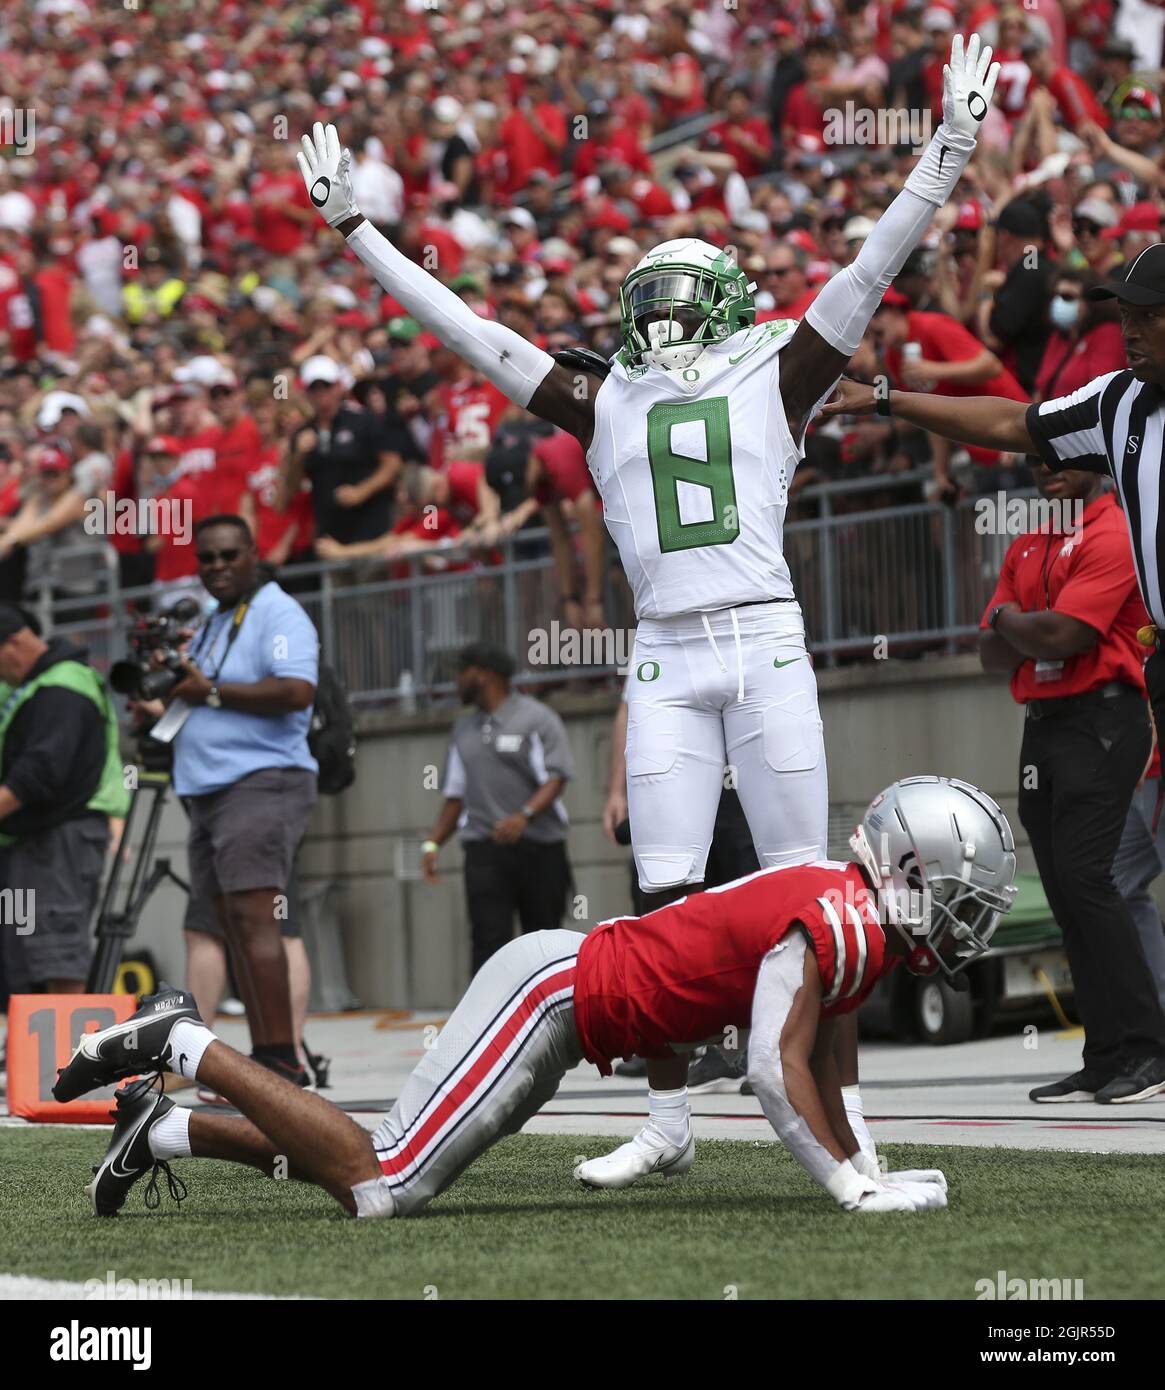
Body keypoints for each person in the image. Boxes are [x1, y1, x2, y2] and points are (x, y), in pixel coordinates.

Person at [296, 34, 1000, 1186]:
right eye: (653, 297)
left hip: (760, 634)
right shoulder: (614, 388)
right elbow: (472, 333)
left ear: (719, 301)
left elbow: (870, 266)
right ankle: (670, 1123)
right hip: (671, 652)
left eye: (679, 297)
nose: (664, 317)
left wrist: (950, 147)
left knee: (819, 891)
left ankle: (851, 1126)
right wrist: (357, 231)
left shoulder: (773, 368)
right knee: (662, 897)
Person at [57, 777, 1016, 1222]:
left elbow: (833, 1077)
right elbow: (774, 1066)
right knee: (383, 1184)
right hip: (556, 994)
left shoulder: (852, 917)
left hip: (567, 1002)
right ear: (906, 867)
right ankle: (184, 1042)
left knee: (380, 1157)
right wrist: (849, 1192)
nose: (969, 917)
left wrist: (874, 1169)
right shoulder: (838, 916)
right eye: (962, 891)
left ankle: (164, 1130)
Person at [978, 459, 1165, 1103]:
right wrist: (1018, 631)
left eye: (1062, 457)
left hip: (1104, 717)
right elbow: (991, 653)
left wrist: (1011, 620)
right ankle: (1107, 1053)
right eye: (1035, 459)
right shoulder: (1032, 535)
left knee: (1090, 879)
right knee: (1065, 892)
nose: (1046, 469)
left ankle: (1148, 1049)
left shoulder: (1111, 530)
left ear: (1094, 460)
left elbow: (1067, 633)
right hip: (1044, 723)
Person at [141, 515, 319, 1085]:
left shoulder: (277, 609)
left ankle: (279, 1062)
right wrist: (165, 705)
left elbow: (297, 691)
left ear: (253, 554)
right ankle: (267, 1058)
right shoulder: (216, 621)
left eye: (228, 555)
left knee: (254, 918)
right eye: (207, 558)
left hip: (261, 782)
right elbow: (201, 698)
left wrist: (209, 692)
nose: (217, 566)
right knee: (230, 922)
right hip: (209, 788)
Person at [421, 643, 574, 974]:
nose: (457, 681)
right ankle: (490, 1022)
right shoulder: (462, 730)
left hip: (540, 849)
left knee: (544, 943)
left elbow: (557, 777)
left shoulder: (536, 718)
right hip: (485, 852)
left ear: (484, 674)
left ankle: (552, 1021)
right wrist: (433, 843)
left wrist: (524, 816)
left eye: (462, 672)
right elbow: (455, 795)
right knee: (488, 944)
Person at [0, 603, 128, 992]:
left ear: (14, 643)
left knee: (58, 950)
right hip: (27, 842)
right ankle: (23, 1049)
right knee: (19, 947)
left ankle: (70, 1051)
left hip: (61, 843)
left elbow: (39, 773)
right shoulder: (31, 684)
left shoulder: (64, 685)